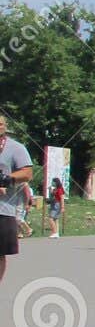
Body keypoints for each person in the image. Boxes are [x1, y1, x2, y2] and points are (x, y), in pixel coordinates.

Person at [0, 113, 36, 286]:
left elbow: (27, 173)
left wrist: (6, 179)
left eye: (0, 124)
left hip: (3, 208)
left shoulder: (16, 148)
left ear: (4, 127)